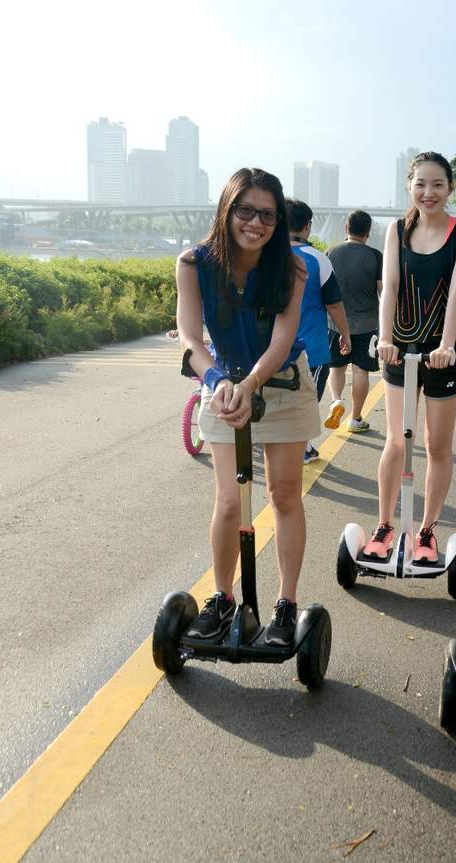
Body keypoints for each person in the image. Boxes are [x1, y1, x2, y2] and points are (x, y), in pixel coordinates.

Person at [174, 168, 317, 648]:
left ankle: (286, 603)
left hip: (280, 381)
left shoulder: (292, 268)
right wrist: (217, 380)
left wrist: (251, 382)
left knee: (283, 493)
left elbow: (282, 337)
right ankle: (222, 597)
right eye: (246, 210)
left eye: (268, 215)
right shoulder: (194, 263)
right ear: (227, 210)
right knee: (229, 500)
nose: (256, 222)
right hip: (222, 383)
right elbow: (192, 339)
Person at [362, 152, 456, 564]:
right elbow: (390, 289)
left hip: (442, 352)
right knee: (396, 442)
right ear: (410, 187)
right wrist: (385, 338)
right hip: (400, 348)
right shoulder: (395, 230)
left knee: (437, 446)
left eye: (437, 185)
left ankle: (427, 531)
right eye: (420, 185)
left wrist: (447, 345)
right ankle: (384, 525)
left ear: (449, 188)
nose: (428, 193)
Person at [286, 198, 351, 463]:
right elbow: (334, 305)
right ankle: (301, 448)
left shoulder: (263, 255)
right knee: (307, 399)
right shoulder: (318, 259)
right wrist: (345, 334)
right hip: (310, 347)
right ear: (308, 226)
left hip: (265, 348)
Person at [325, 209, 382, 433]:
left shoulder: (331, 253)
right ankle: (356, 418)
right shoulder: (376, 256)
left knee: (336, 368)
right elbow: (383, 292)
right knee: (361, 371)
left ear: (346, 229)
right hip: (367, 325)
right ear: (368, 232)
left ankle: (336, 400)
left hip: (335, 324)